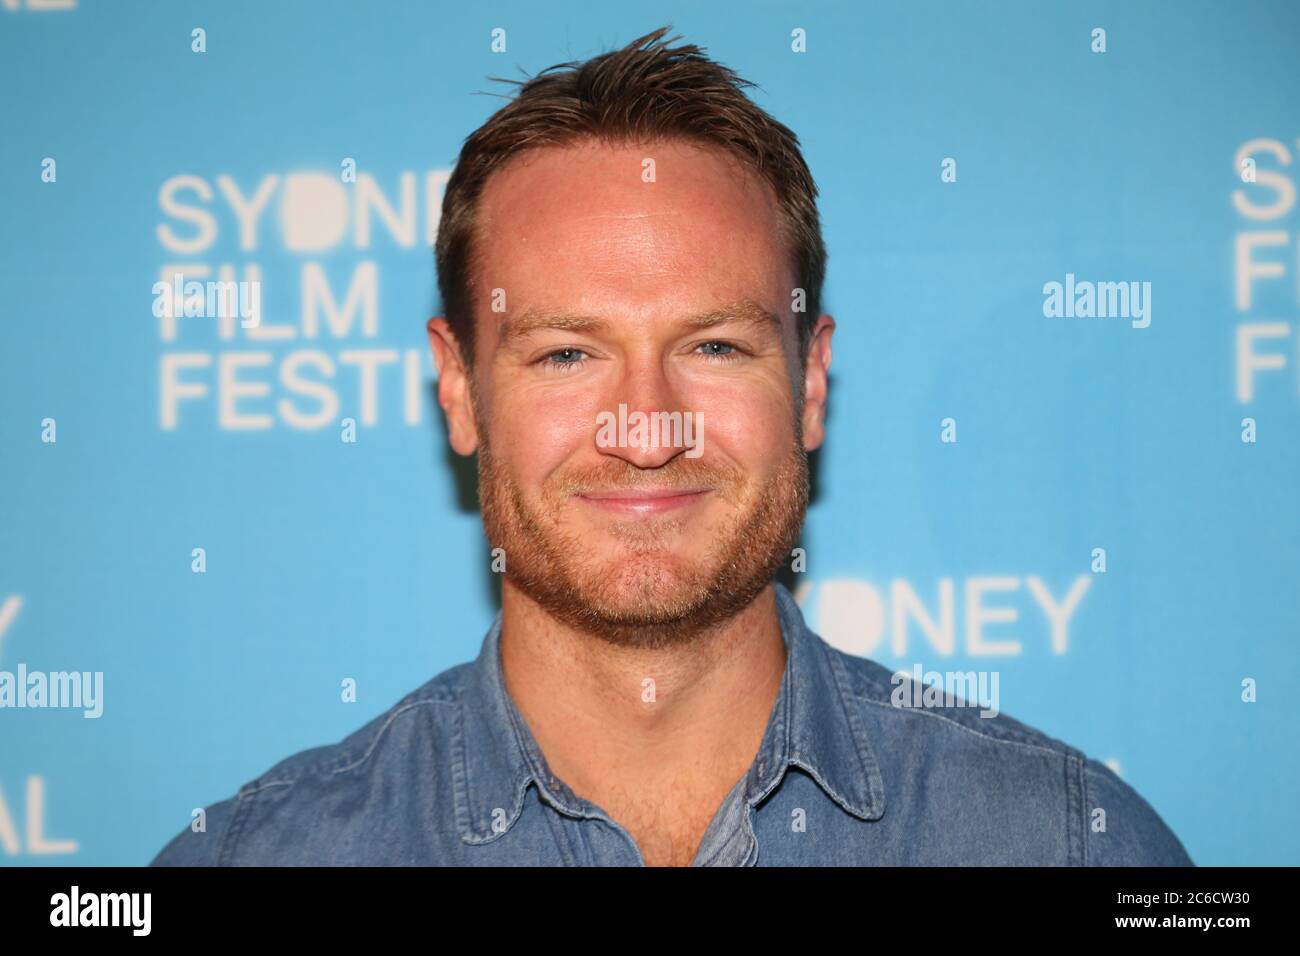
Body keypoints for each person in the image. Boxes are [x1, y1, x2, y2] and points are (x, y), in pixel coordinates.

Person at [152, 25, 1192, 867]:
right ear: (459, 388)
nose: (645, 428)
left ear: (810, 382)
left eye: (714, 344)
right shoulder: (255, 857)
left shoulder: (1067, 843)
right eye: (565, 354)